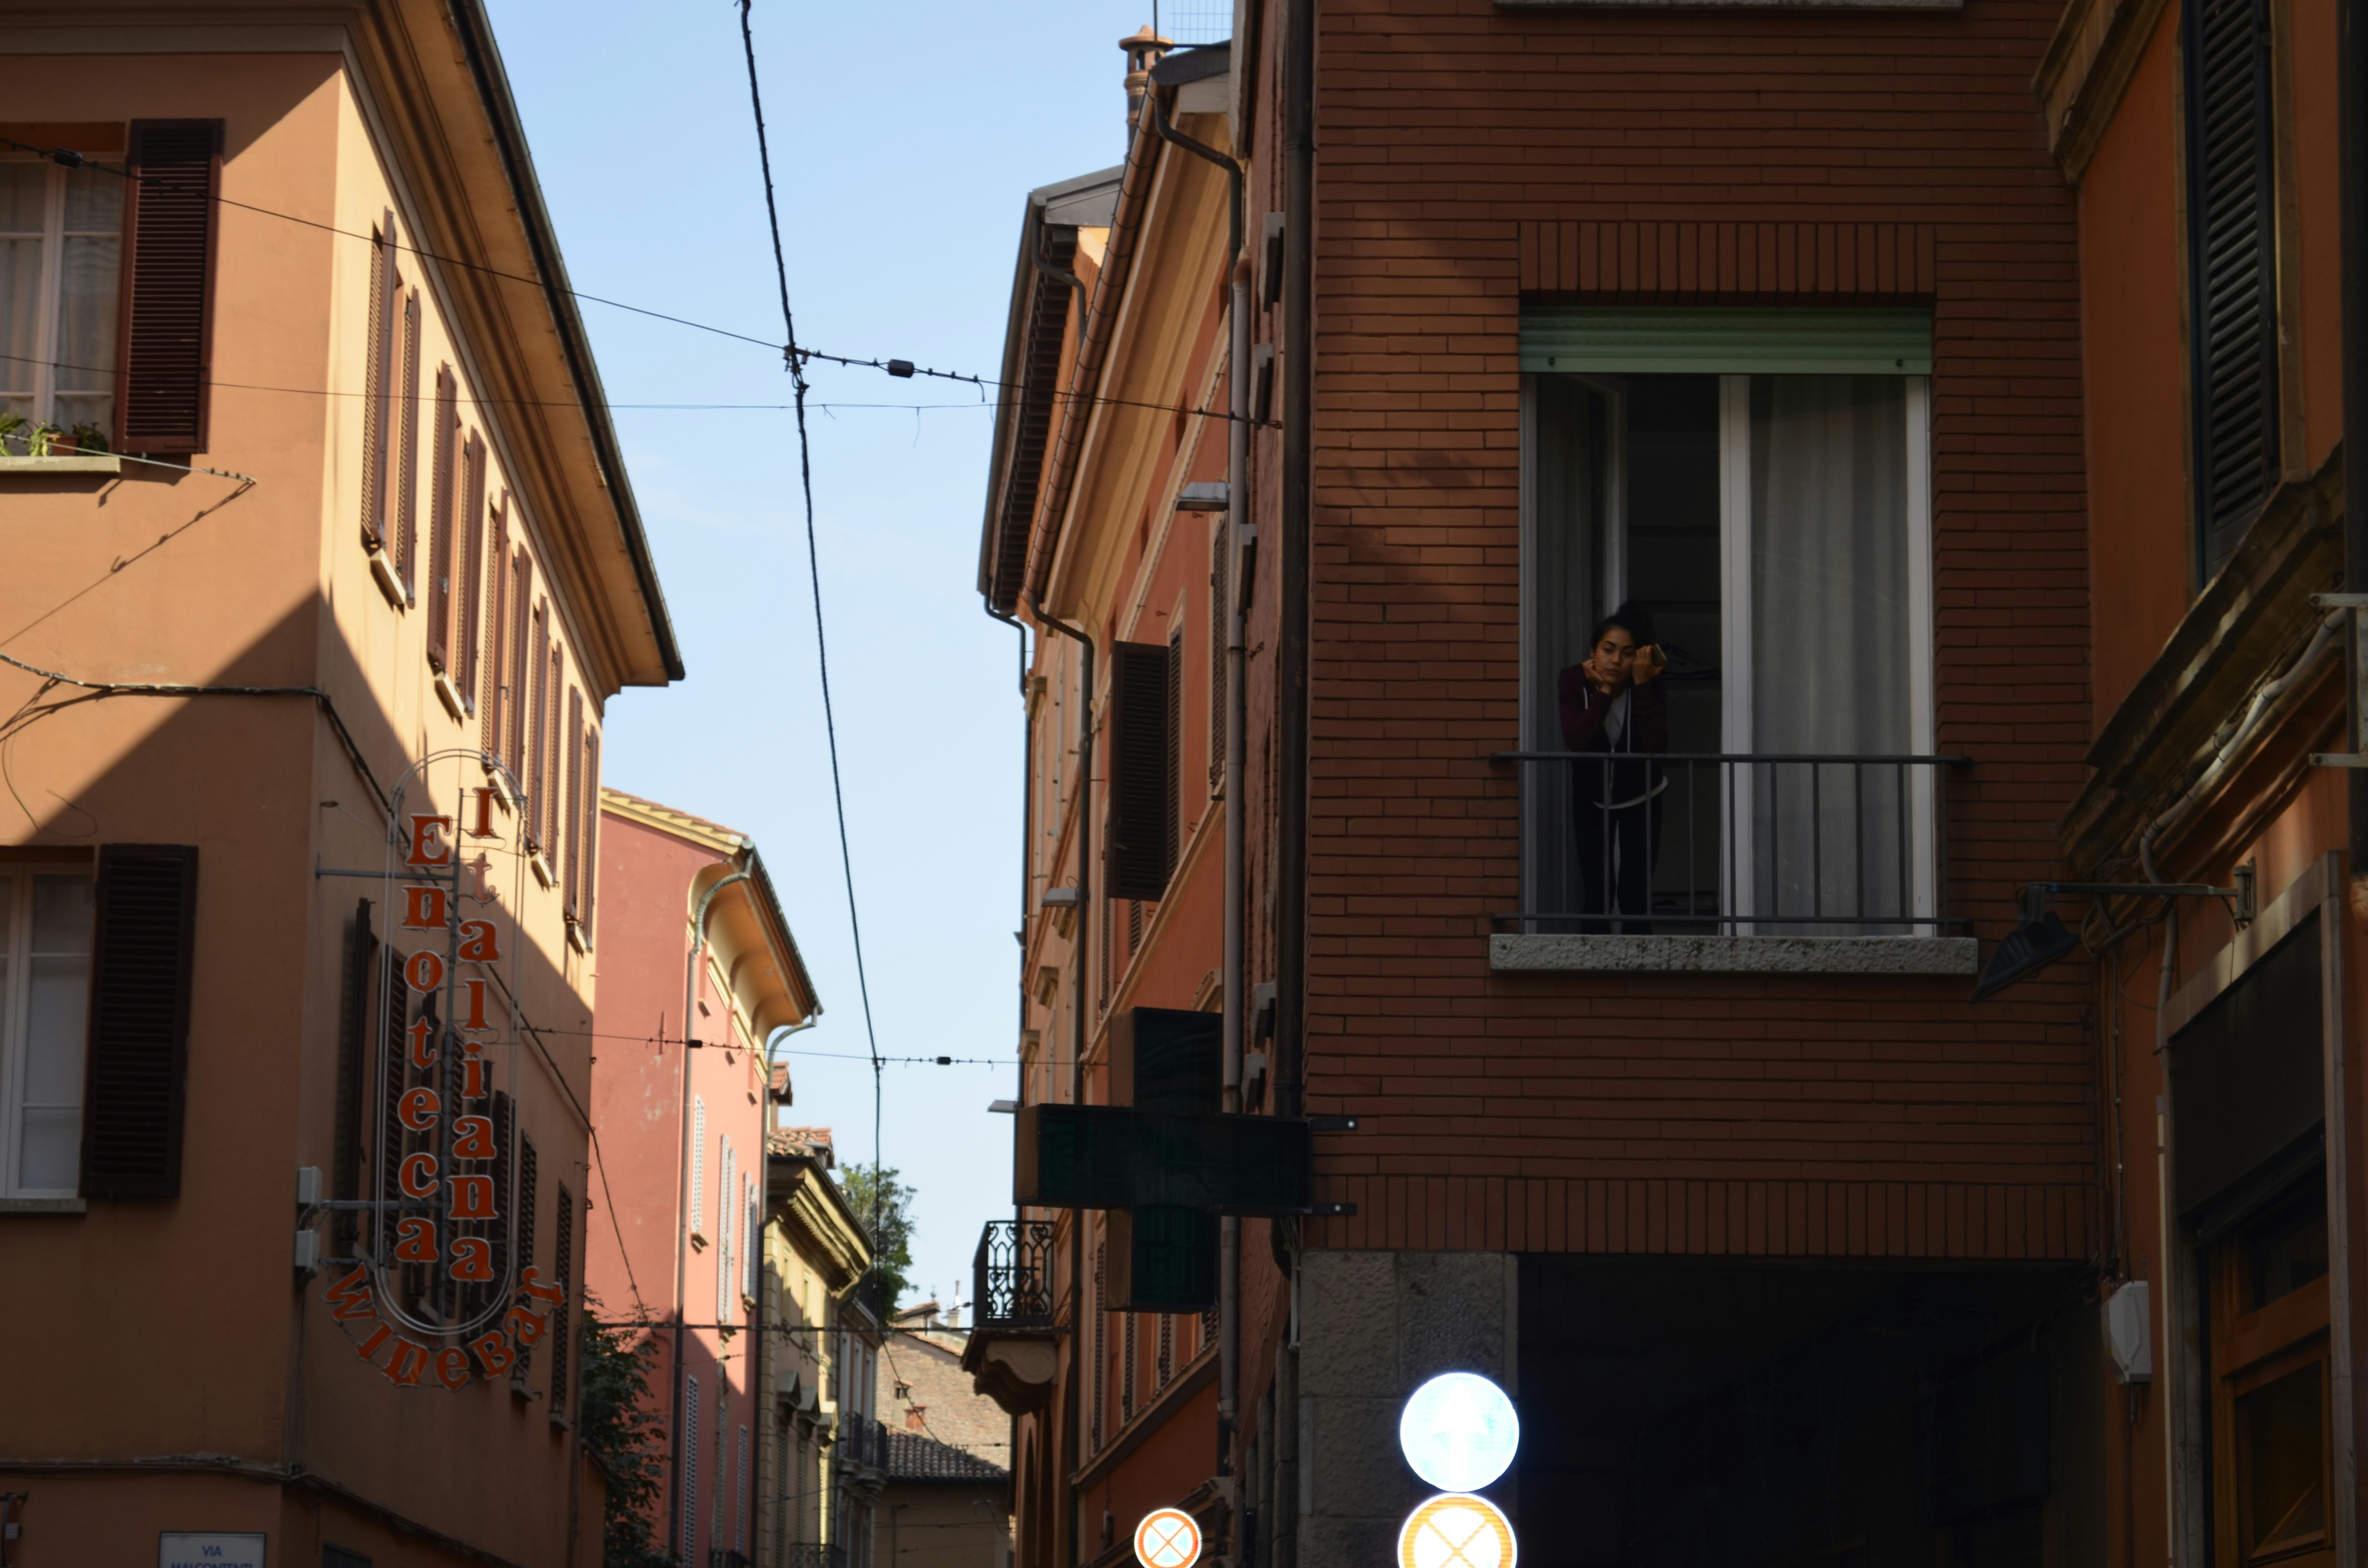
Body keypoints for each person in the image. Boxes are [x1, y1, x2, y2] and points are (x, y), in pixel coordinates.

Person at [1557, 603, 1668, 932]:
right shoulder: (1573, 681)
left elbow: (1656, 745)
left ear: (1640, 658)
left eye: (1628, 653)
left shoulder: (1649, 683)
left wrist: (1644, 686)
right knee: (1597, 892)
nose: (1616, 660)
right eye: (1608, 650)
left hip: (1643, 794)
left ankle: (1640, 961)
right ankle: (1595, 963)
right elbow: (1576, 739)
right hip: (1591, 795)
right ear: (1593, 652)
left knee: (1635, 894)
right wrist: (1604, 693)